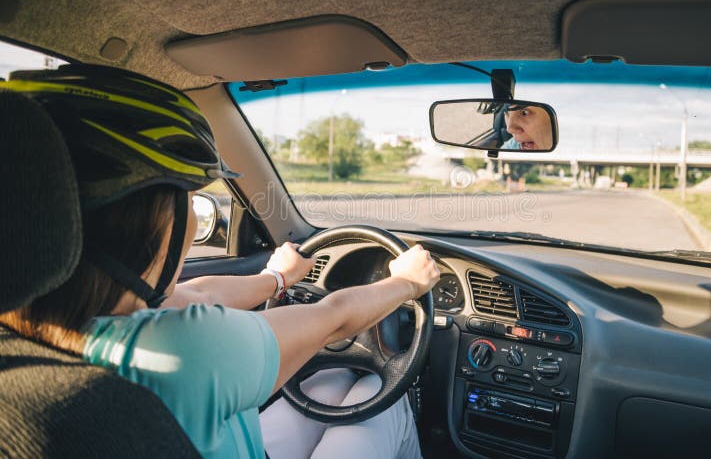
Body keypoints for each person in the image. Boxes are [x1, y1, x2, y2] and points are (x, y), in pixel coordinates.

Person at [0, 65, 439, 458]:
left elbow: (200, 293)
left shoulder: (31, 337)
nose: (193, 215)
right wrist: (407, 283)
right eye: (189, 198)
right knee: (387, 405)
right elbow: (334, 316)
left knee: (341, 384)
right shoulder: (183, 350)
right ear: (149, 221)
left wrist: (276, 279)